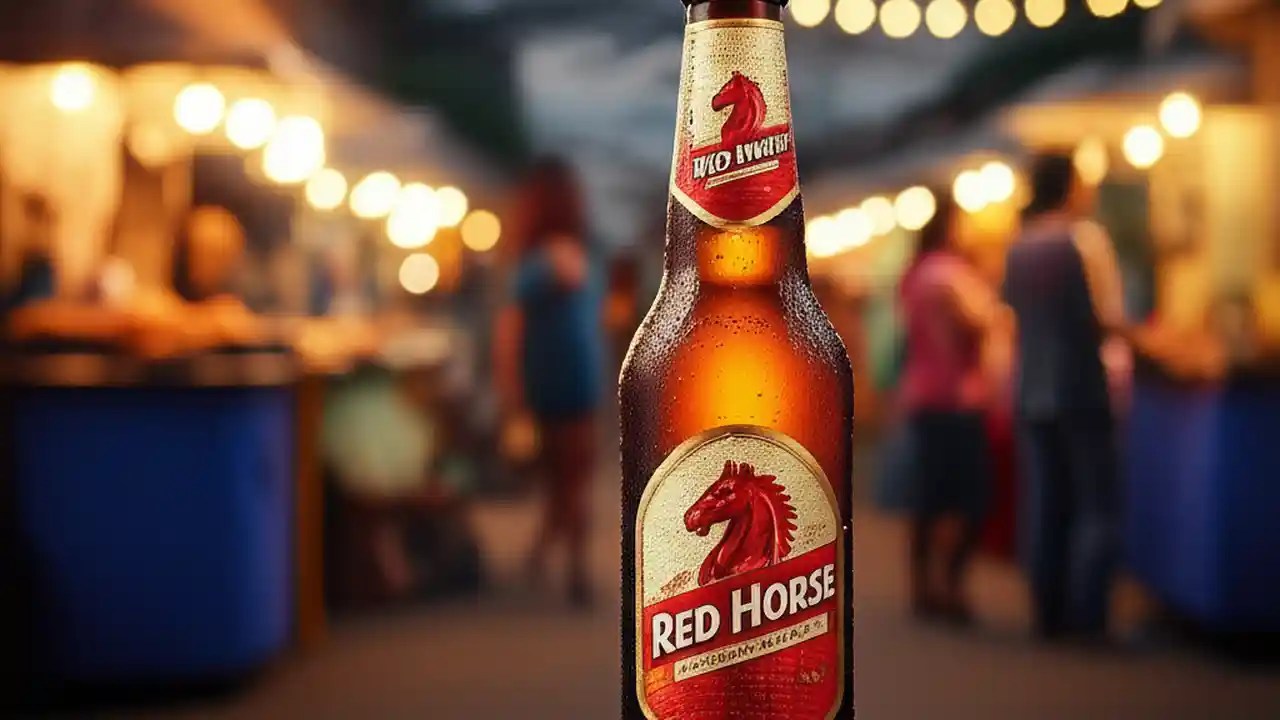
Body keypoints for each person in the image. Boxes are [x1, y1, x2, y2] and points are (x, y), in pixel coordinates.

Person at [1002, 152, 1127, 641]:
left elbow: (1014, 314)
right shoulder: (1084, 239)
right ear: (1070, 186)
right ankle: (1089, 616)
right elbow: (1105, 317)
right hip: (1081, 386)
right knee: (1095, 505)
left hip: (1032, 389)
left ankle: (1047, 614)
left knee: (1046, 503)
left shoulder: (1020, 245)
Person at [494, 158, 604, 607]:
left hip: (544, 377)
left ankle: (545, 560)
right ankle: (565, 565)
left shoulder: (533, 261)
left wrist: (511, 390)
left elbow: (511, 330)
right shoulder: (579, 257)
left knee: (563, 480)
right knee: (572, 478)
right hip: (579, 375)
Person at [899, 192, 997, 623]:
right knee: (969, 498)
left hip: (923, 395)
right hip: (958, 398)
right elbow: (981, 323)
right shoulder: (949, 275)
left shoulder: (915, 274)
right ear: (950, 227)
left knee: (928, 496)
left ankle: (924, 586)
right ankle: (951, 587)